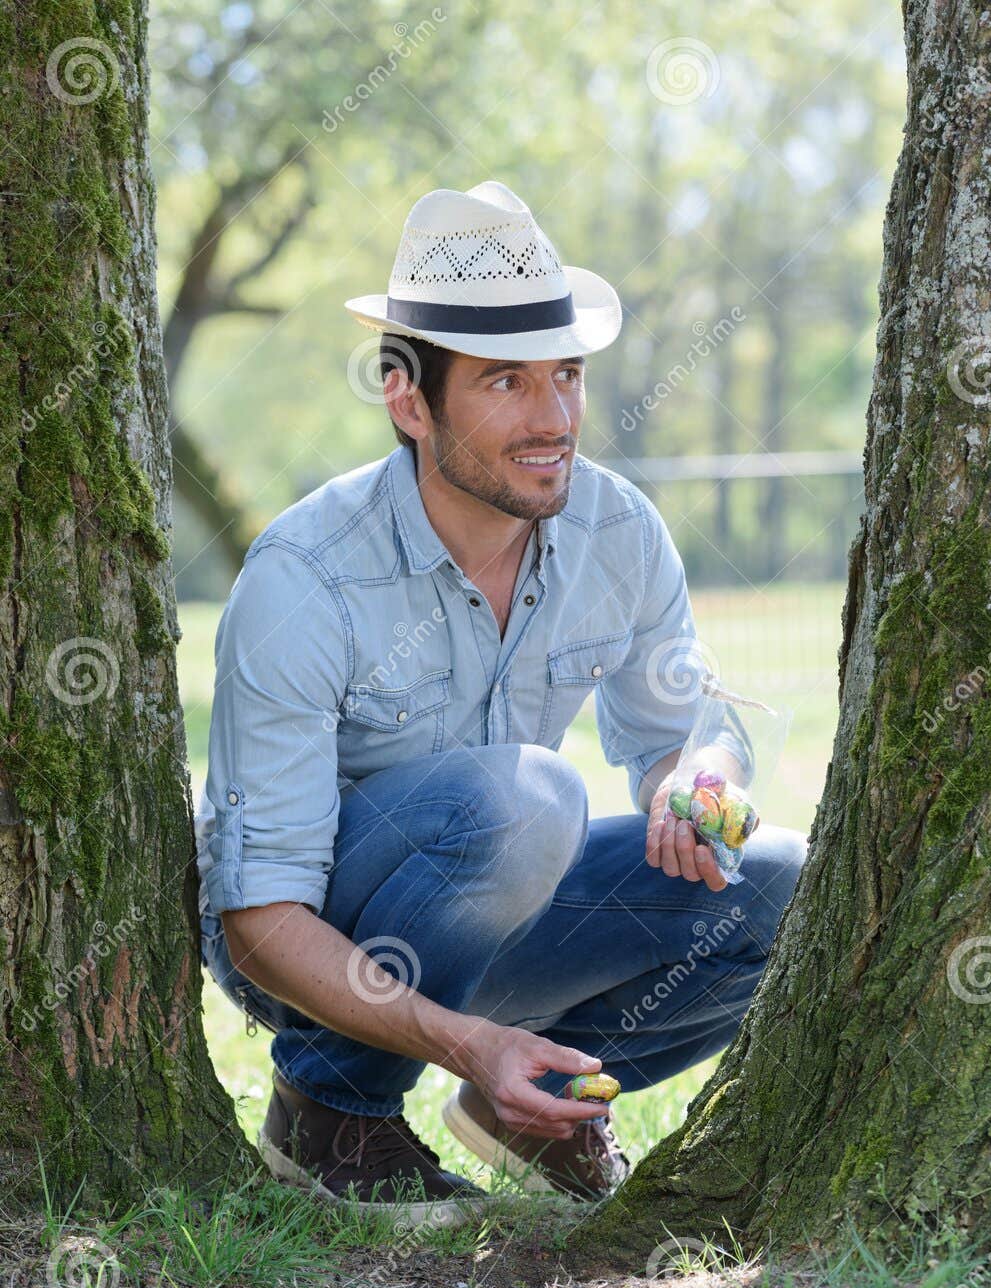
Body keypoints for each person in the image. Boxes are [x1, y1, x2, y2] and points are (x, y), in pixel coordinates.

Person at [196, 179, 807, 1223]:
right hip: (317, 943)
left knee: (780, 881)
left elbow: (690, 730)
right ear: (407, 396)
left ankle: (540, 1100)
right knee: (529, 800)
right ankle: (332, 1114)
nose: (554, 417)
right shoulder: (306, 574)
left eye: (566, 376)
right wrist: (462, 1032)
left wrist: (705, 776)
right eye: (506, 383)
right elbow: (256, 919)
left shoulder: (618, 531)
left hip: (505, 897)